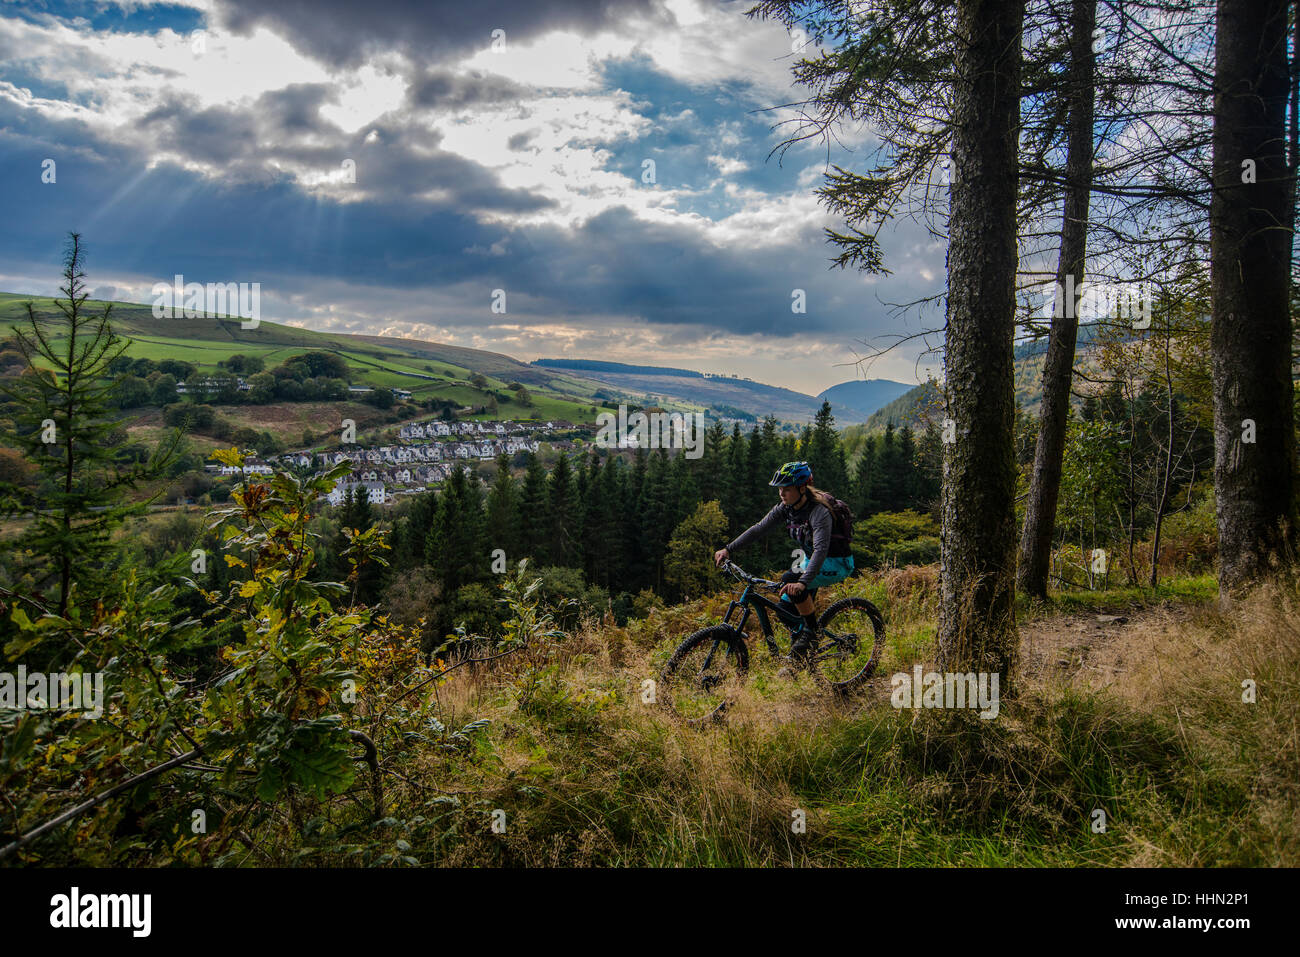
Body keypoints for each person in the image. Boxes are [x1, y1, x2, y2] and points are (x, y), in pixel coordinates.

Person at [713, 460, 855, 666]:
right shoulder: (786, 508)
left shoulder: (819, 512)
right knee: (784, 609)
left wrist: (803, 582)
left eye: (787, 489)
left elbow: (821, 550)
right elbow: (758, 529)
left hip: (836, 563)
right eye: (780, 488)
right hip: (810, 560)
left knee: (792, 582)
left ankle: (811, 636)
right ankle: (803, 652)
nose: (781, 493)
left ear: (802, 487)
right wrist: (728, 548)